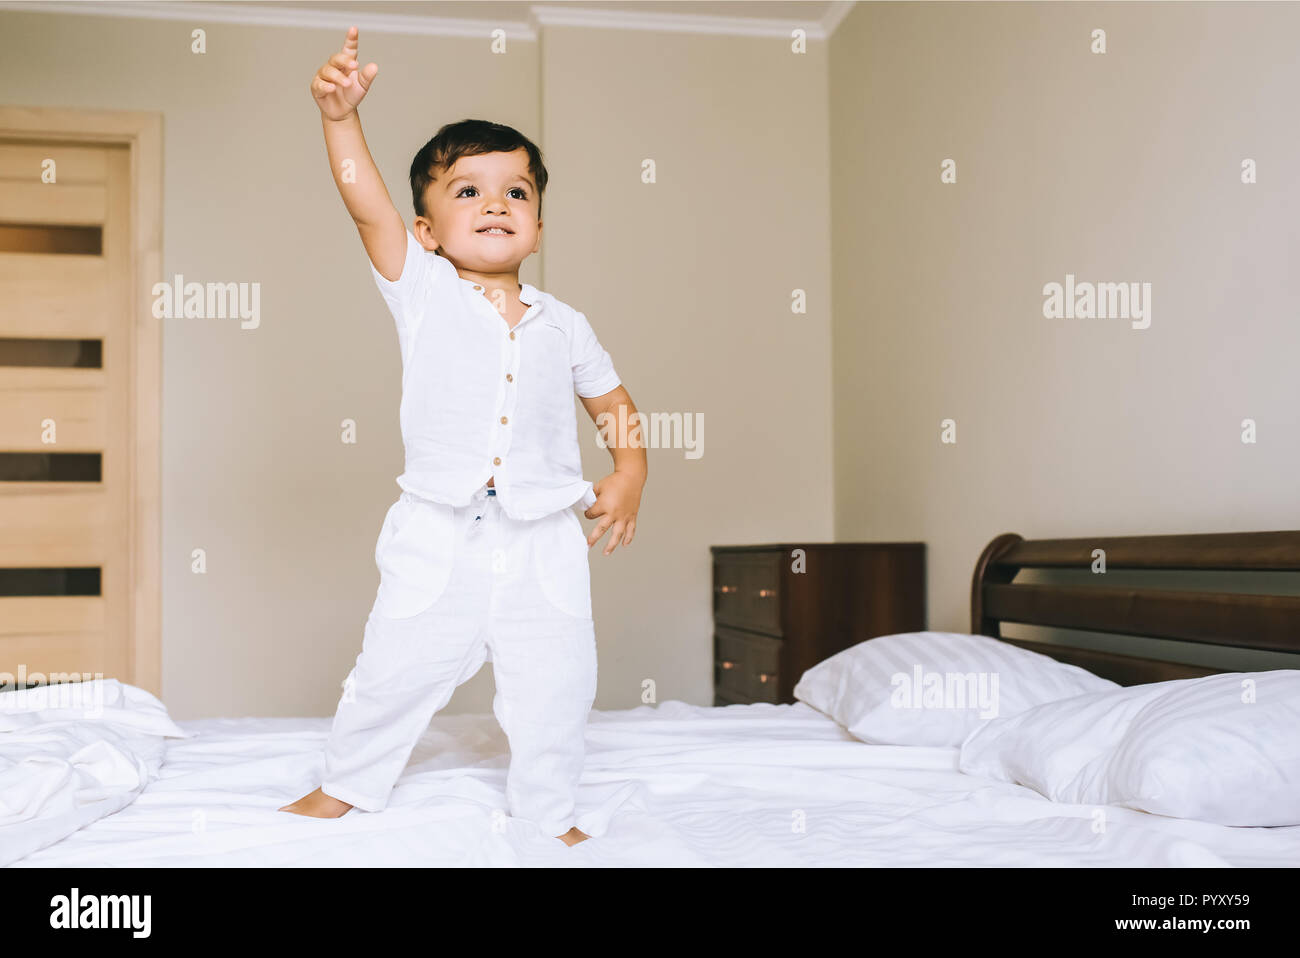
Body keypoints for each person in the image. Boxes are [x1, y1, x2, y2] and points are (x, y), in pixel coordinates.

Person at [279, 27, 647, 847]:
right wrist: (340, 120)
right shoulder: (424, 292)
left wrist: (630, 471)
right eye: (468, 191)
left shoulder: (566, 325)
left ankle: (550, 813)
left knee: (557, 683)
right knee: (395, 666)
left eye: (516, 194)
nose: (495, 205)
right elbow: (364, 199)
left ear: (539, 229)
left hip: (546, 539)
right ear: (427, 230)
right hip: (439, 528)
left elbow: (614, 402)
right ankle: (348, 783)